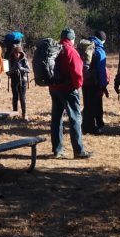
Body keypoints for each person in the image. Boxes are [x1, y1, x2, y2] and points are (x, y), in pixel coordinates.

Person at [49, 28, 89, 159]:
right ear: (72, 38)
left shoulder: (54, 49)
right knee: (75, 118)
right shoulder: (71, 51)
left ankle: (57, 149)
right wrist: (78, 86)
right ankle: (79, 150)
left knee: (56, 119)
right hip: (68, 89)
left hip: (54, 88)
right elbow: (77, 72)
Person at [82, 30, 108, 134]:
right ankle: (95, 126)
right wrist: (103, 85)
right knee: (96, 104)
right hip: (95, 82)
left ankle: (86, 125)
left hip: (85, 81)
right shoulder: (99, 49)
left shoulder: (85, 46)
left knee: (87, 104)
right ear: (102, 40)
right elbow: (101, 70)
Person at [7, 43, 31, 119]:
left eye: (18, 53)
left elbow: (29, 70)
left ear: (21, 53)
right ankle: (15, 114)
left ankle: (24, 114)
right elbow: (7, 72)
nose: (16, 54)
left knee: (22, 98)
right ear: (13, 53)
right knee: (15, 97)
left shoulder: (24, 59)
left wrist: (21, 68)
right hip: (14, 80)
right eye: (15, 53)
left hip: (23, 81)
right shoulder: (10, 60)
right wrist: (14, 68)